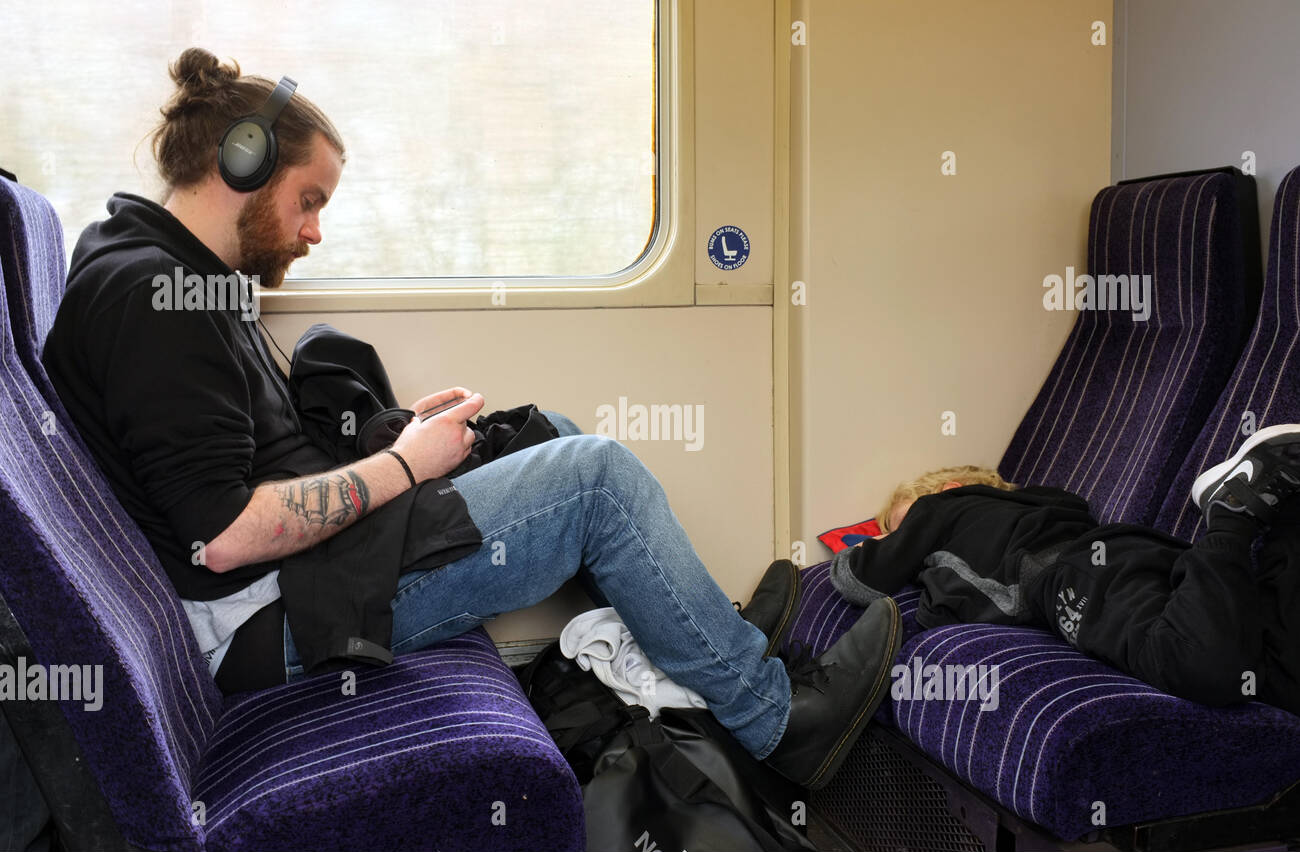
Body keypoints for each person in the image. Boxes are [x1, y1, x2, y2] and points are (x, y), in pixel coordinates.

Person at [39, 48, 899, 790]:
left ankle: (711, 650)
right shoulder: (161, 300)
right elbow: (224, 533)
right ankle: (778, 720)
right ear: (244, 163)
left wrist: (394, 435)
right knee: (596, 478)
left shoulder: (167, 267)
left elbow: (251, 456)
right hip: (264, 620)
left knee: (549, 430)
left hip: (293, 581)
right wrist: (406, 468)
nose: (313, 233)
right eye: (310, 201)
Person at [831, 427, 1300, 716]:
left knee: (1195, 666)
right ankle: (1288, 513)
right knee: (1278, 675)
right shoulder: (1042, 503)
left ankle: (1233, 509)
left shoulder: (941, 507)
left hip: (1075, 581)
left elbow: (860, 579)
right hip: (1134, 556)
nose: (903, 540)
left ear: (948, 490)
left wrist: (874, 542)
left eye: (900, 527)